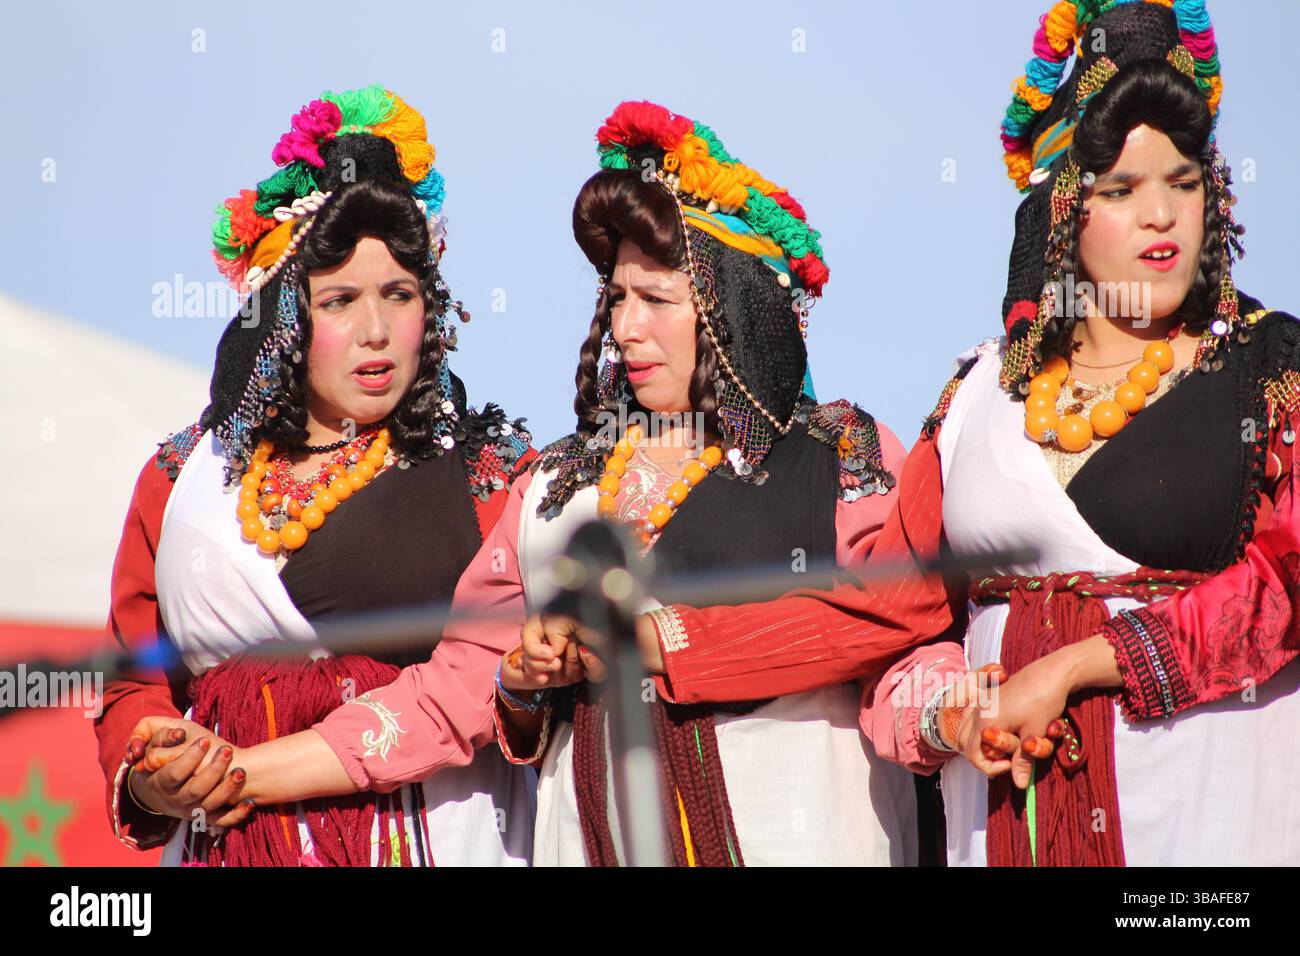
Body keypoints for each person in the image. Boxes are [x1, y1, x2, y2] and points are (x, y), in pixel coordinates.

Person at [137, 100, 917, 866]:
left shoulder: (838, 453)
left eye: (655, 300)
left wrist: (655, 640)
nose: (624, 328)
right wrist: (519, 682)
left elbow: (895, 615)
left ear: (737, 309)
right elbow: (452, 695)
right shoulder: (553, 486)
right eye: (615, 298)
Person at [630, 0, 1300, 866]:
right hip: (1002, 826)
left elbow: (1284, 585)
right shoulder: (979, 392)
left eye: (1184, 180)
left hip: (1208, 828)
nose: (1162, 215)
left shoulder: (1271, 366)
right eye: (1122, 189)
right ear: (1062, 206)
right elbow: (880, 614)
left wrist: (1077, 663)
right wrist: (951, 714)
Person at [96, 85, 537, 866]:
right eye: (340, 300)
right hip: (225, 847)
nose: (377, 331)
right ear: (285, 321)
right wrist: (156, 778)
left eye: (399, 294)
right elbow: (134, 684)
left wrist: (250, 772)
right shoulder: (179, 478)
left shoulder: (487, 476)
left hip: (439, 839)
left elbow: (485, 680)